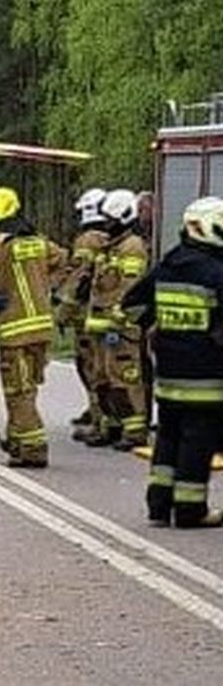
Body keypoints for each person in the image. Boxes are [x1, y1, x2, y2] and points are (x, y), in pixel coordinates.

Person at [123, 197, 223, 528]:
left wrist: (157, 326)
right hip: (206, 376)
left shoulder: (168, 264)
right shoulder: (217, 272)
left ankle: (159, 505)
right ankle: (190, 510)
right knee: (198, 441)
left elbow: (131, 305)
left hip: (168, 373)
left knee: (168, 438)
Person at [0, 187, 66, 468]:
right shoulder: (39, 242)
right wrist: (51, 289)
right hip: (41, 329)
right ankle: (17, 440)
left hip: (13, 331)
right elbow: (65, 261)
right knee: (27, 387)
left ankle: (33, 447)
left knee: (18, 391)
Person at [82, 189, 150, 450]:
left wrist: (120, 317)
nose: (107, 224)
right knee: (102, 378)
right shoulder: (109, 248)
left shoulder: (132, 248)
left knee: (125, 377)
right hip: (102, 326)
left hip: (121, 329)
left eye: (111, 220)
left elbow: (130, 288)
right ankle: (110, 425)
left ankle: (134, 431)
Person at [56, 188, 109, 439]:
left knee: (90, 366)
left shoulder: (88, 240)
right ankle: (97, 411)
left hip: (86, 315)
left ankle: (99, 419)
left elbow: (78, 280)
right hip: (103, 312)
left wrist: (63, 312)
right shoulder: (112, 239)